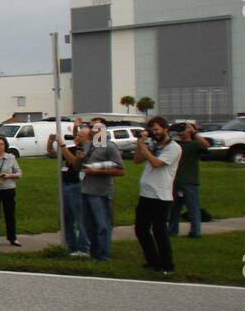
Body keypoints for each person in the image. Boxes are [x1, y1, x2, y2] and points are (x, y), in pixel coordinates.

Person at [133, 116, 182, 274]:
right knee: (141, 229)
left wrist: (145, 148)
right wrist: (141, 144)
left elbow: (156, 163)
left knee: (159, 231)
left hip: (161, 195)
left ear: (166, 129)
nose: (155, 133)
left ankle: (167, 265)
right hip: (146, 194)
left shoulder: (174, 148)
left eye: (157, 129)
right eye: (152, 130)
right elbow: (137, 160)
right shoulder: (153, 145)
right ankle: (152, 260)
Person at [79, 123, 125, 261]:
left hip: (101, 192)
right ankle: (94, 254)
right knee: (89, 225)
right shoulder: (89, 146)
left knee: (102, 225)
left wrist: (96, 171)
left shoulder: (109, 147)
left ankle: (103, 255)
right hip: (86, 189)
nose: (94, 133)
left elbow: (121, 170)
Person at [48, 124, 91, 256]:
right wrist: (50, 142)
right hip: (65, 185)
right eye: (77, 135)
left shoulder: (87, 151)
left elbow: (74, 163)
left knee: (80, 218)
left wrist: (62, 145)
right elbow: (53, 154)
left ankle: (83, 248)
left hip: (77, 185)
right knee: (66, 218)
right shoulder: (72, 148)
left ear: (88, 139)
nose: (76, 137)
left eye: (80, 136)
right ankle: (71, 246)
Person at [169, 121, 209, 238]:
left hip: (190, 181)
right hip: (175, 181)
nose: (181, 131)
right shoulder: (175, 144)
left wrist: (194, 132)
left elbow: (206, 145)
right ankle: (172, 230)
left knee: (193, 208)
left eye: (184, 129)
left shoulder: (195, 145)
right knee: (174, 209)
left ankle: (195, 231)